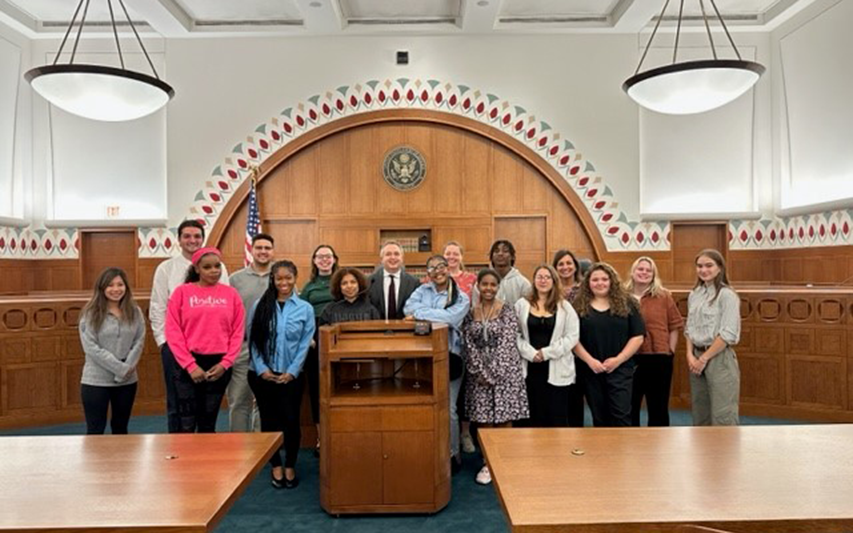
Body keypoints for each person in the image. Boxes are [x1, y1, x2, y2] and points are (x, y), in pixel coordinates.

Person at [150, 220, 229, 432]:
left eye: (197, 236)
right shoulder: (166, 268)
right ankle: (178, 454)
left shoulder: (218, 267)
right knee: (178, 406)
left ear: (203, 239)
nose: (192, 240)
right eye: (187, 236)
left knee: (207, 406)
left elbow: (227, 306)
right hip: (175, 347)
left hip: (211, 347)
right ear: (179, 240)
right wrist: (163, 343)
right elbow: (157, 307)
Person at [248, 260, 315, 489]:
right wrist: (262, 369)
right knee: (269, 421)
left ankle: (290, 464)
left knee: (290, 421)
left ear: (295, 278)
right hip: (263, 376)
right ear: (273, 280)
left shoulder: (305, 308)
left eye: (288, 278)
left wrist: (292, 372)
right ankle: (275, 464)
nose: (284, 283)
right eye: (279, 278)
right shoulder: (260, 305)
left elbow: (305, 343)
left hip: (291, 377)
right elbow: (253, 341)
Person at [404, 255, 470, 474]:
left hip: (451, 357)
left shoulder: (460, 296)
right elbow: (407, 308)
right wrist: (436, 316)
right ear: (428, 273)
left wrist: (420, 315)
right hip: (423, 358)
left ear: (448, 268)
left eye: (441, 266)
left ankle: (452, 453)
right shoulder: (422, 291)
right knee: (426, 405)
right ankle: (429, 450)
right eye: (432, 268)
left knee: (449, 409)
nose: (437, 271)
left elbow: (451, 319)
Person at [165, 247, 243, 433]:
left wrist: (225, 364)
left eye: (217, 266)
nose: (214, 271)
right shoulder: (181, 293)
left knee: (208, 422)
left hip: (218, 365)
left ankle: (206, 462)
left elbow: (238, 332)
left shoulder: (231, 294)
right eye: (207, 267)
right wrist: (190, 365)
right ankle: (185, 462)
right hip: (186, 365)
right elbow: (173, 331)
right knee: (186, 423)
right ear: (197, 269)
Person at [462, 269, 529, 485]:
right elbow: (467, 343)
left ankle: (504, 461)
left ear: (497, 287)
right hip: (478, 374)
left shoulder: (507, 310)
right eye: (485, 284)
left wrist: (494, 373)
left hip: (505, 373)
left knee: (503, 417)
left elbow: (508, 344)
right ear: (478, 286)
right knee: (483, 420)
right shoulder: (471, 312)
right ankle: (487, 462)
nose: (488, 288)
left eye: (493, 285)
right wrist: (480, 370)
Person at [573, 262, 645, 427]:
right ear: (588, 283)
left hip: (621, 369)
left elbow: (637, 337)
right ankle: (603, 452)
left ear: (612, 281)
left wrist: (618, 360)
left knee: (621, 416)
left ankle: (622, 453)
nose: (600, 283)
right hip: (591, 370)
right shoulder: (578, 306)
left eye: (605, 279)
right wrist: (590, 361)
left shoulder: (628, 303)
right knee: (599, 417)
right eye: (595, 279)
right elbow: (573, 339)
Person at [78, 267, 145, 435]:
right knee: (95, 430)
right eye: (110, 285)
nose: (116, 289)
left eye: (120, 284)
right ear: (102, 288)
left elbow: (139, 341)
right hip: (96, 380)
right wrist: (121, 368)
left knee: (121, 428)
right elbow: (91, 348)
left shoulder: (134, 311)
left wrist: (127, 367)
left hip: (127, 381)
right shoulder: (90, 313)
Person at [514, 265, 579, 428]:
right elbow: (513, 334)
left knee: (556, 417)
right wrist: (530, 353)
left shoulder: (564, 307)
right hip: (529, 368)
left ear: (554, 281)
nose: (543, 280)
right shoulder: (521, 305)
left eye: (547, 277)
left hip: (556, 368)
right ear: (533, 280)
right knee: (530, 417)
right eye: (539, 277)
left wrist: (546, 353)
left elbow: (572, 336)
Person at [685, 249, 741, 426]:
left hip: (718, 358)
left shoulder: (727, 295)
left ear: (719, 268)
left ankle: (726, 454)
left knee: (723, 415)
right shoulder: (695, 294)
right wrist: (690, 355)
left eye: (709, 265)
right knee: (700, 414)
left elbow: (728, 333)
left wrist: (704, 358)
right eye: (700, 266)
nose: (703, 270)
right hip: (696, 357)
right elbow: (689, 328)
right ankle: (703, 454)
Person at [625, 256, 683, 427]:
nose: (644, 273)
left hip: (659, 358)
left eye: (648, 270)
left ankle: (659, 449)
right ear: (633, 272)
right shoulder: (621, 296)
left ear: (653, 274)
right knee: (629, 406)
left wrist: (670, 351)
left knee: (658, 407)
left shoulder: (664, 296)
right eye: (640, 269)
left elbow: (674, 325)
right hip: (630, 359)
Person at [226, 233, 274, 432]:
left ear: (273, 251)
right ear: (251, 250)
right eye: (259, 248)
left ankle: (260, 448)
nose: (263, 252)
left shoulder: (280, 276)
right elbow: (227, 314)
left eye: (267, 248)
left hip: (271, 348)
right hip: (242, 347)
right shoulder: (235, 279)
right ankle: (237, 449)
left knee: (265, 403)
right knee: (239, 400)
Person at [301, 244, 339, 456]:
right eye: (320, 257)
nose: (324, 260)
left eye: (328, 256)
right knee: (317, 388)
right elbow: (301, 315)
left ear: (334, 259)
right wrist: (309, 338)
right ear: (314, 261)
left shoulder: (343, 281)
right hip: (314, 340)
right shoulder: (309, 287)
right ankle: (320, 437)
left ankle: (338, 432)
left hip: (338, 336)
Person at [442, 241, 478, 453]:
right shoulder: (431, 280)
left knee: (467, 391)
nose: (451, 257)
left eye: (455, 253)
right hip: (443, 342)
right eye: (448, 253)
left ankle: (465, 433)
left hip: (468, 341)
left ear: (461, 257)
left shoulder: (472, 280)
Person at [552, 249, 585, 427]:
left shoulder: (584, 289)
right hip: (558, 349)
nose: (565, 267)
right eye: (561, 264)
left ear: (575, 266)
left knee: (577, 394)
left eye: (569, 263)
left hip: (581, 348)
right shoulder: (551, 291)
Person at [368, 241, 420, 320]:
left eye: (396, 254)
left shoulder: (414, 283)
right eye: (388, 254)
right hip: (377, 329)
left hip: (405, 329)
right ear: (381, 259)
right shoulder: (369, 282)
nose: (393, 257)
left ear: (402, 258)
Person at [476, 240, 531, 306]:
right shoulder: (482, 282)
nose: (500, 254)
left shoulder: (523, 283)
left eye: (505, 251)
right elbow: (476, 307)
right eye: (496, 251)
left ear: (512, 257)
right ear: (491, 257)